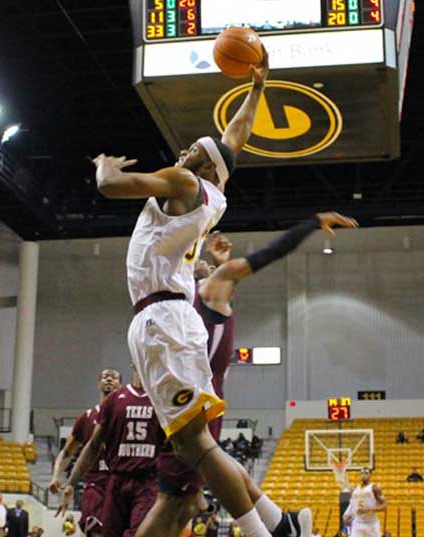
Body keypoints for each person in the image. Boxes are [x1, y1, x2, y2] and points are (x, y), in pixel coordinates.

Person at [97, 48, 312, 537]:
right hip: (161, 319)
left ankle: (271, 532)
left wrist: (103, 165)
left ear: (202, 165)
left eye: (192, 149)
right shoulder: (213, 189)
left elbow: (111, 186)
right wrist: (257, 89)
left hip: (164, 320)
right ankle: (279, 524)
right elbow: (234, 139)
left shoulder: (184, 180)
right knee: (190, 450)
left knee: (197, 450)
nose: (183, 151)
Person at [137, 213, 357, 537]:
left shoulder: (212, 288)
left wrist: (312, 222)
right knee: (195, 484)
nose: (201, 265)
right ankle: (282, 523)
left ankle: (271, 529)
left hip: (194, 403)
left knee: (174, 498)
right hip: (185, 401)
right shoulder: (185, 302)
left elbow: (268, 253)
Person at [63, 373, 162, 537]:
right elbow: (93, 445)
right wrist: (72, 482)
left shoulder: (162, 399)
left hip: (146, 480)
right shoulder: (115, 400)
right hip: (116, 480)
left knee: (139, 532)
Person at [50, 367, 122, 536]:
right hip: (96, 482)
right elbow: (67, 452)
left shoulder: (126, 414)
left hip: (120, 480)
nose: (109, 379)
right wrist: (56, 476)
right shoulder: (87, 417)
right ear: (98, 384)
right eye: (105, 377)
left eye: (114, 377)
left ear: (121, 385)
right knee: (93, 527)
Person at [342, 468, 385, 537]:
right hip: (357, 523)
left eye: (366, 473)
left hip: (371, 523)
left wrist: (369, 510)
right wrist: (347, 514)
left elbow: (384, 506)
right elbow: (352, 505)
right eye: (362, 473)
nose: (364, 475)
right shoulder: (354, 489)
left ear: (370, 475)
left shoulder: (375, 488)